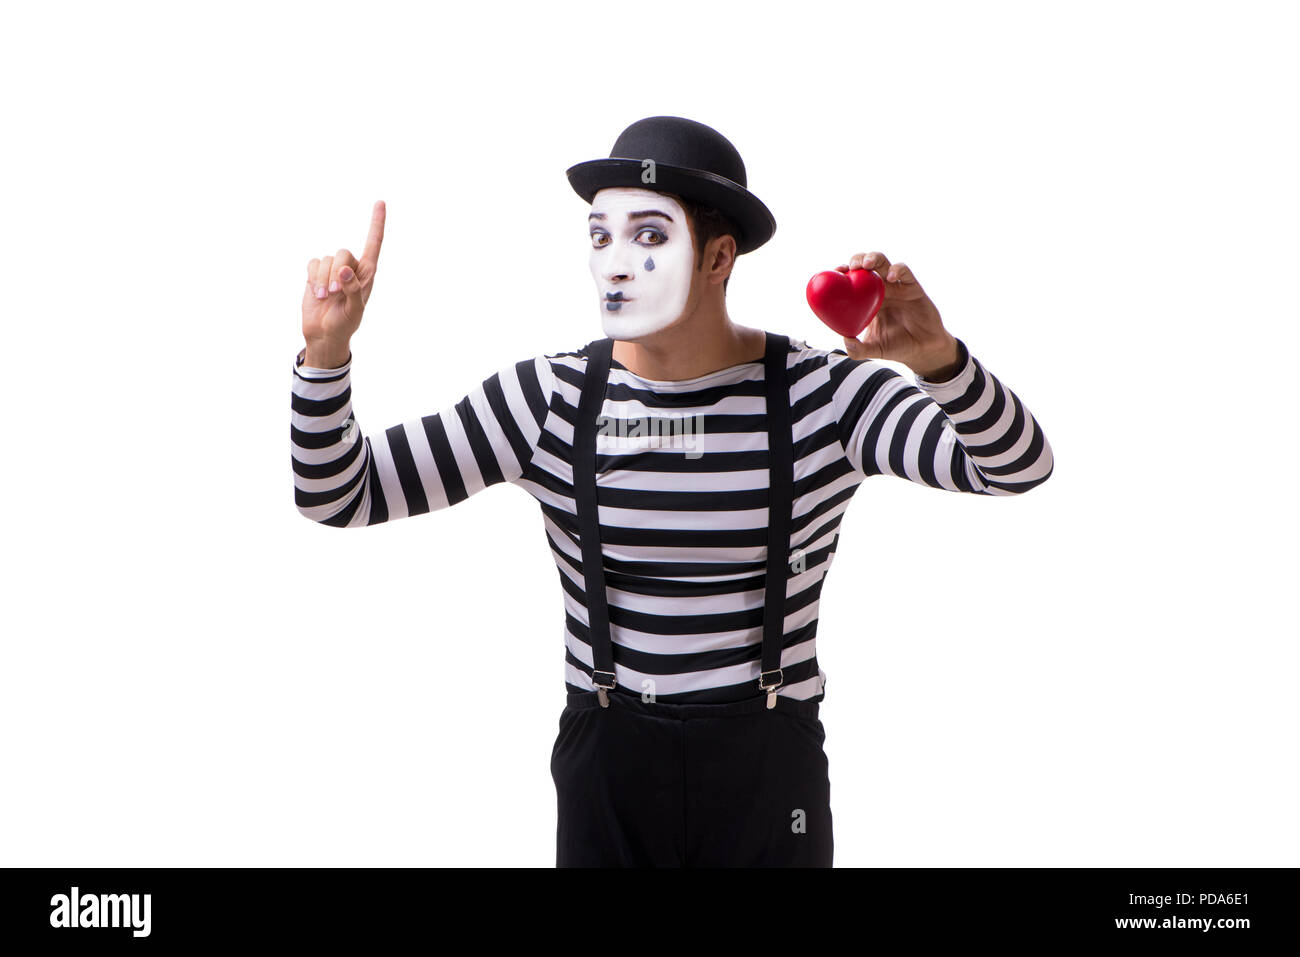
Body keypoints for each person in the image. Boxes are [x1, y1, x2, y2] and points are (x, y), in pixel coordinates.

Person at [289, 116, 1054, 867]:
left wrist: (940, 361)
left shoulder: (824, 396)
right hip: (610, 769)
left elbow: (1015, 464)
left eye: (649, 236)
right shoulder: (549, 398)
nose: (615, 263)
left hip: (768, 765)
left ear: (720, 256)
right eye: (601, 235)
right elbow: (340, 493)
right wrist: (325, 356)